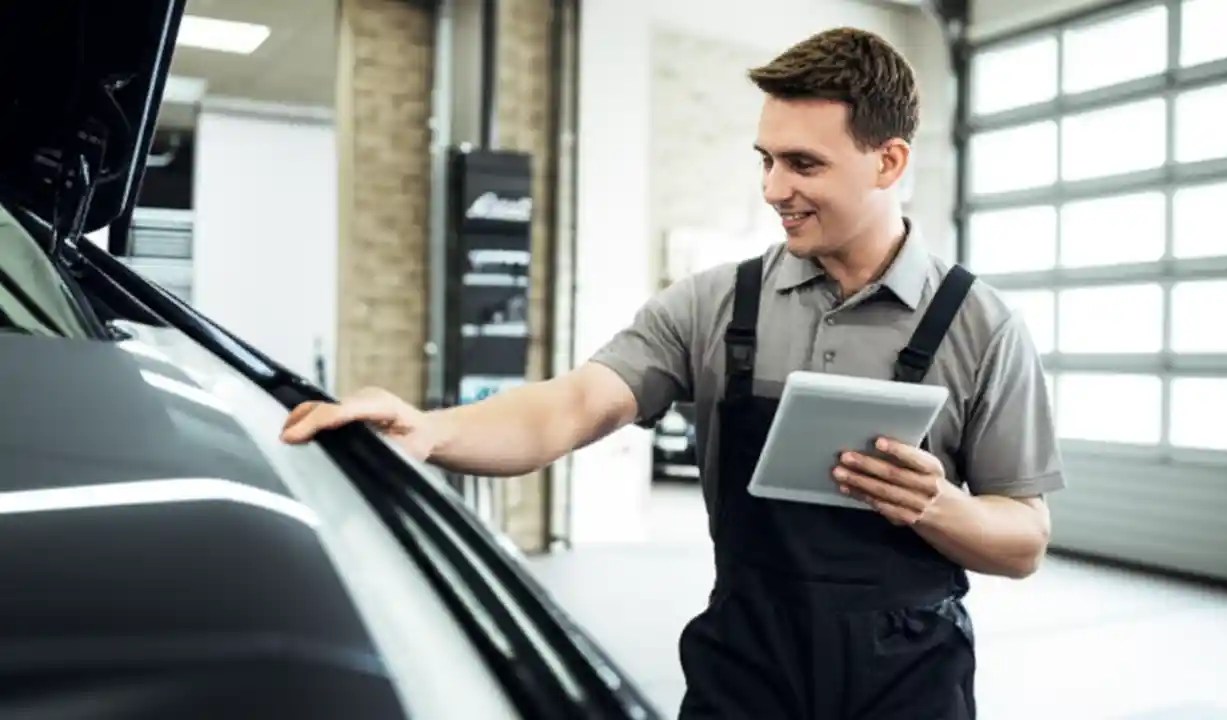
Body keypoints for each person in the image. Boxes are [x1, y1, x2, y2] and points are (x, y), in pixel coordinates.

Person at [282, 26, 1064, 720]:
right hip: (747, 659)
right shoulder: (718, 303)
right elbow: (576, 404)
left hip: (908, 676)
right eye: (765, 160)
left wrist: (936, 507)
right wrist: (431, 428)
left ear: (888, 160)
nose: (772, 190)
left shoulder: (983, 326)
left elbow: (1023, 538)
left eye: (802, 164)